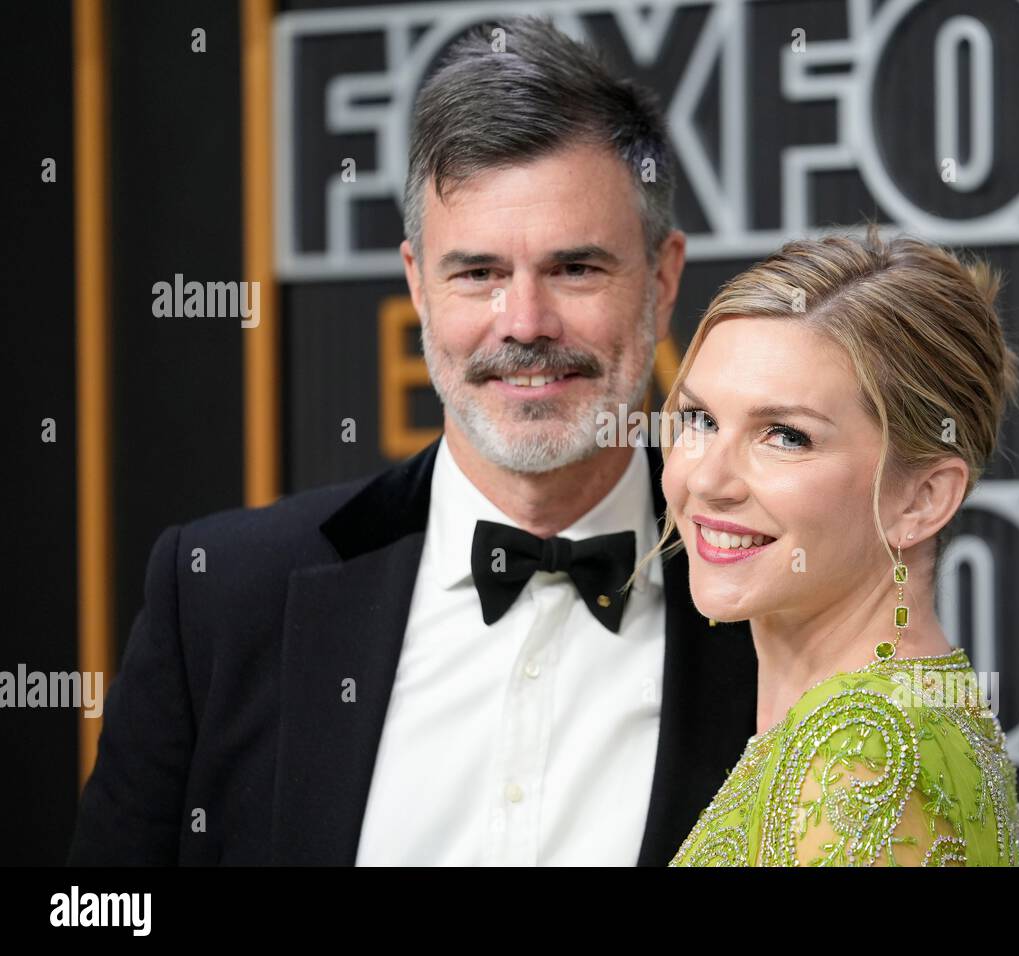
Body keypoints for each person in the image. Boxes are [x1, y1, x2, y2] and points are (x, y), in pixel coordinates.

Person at [67, 16, 758, 866]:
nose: (526, 324)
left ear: (662, 280)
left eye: (576, 268)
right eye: (478, 274)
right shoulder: (218, 601)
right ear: (417, 287)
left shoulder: (777, 601)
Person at [644, 229, 1019, 866]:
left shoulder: (863, 754)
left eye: (786, 436)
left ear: (924, 498)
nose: (707, 480)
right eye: (700, 420)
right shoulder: (900, 720)